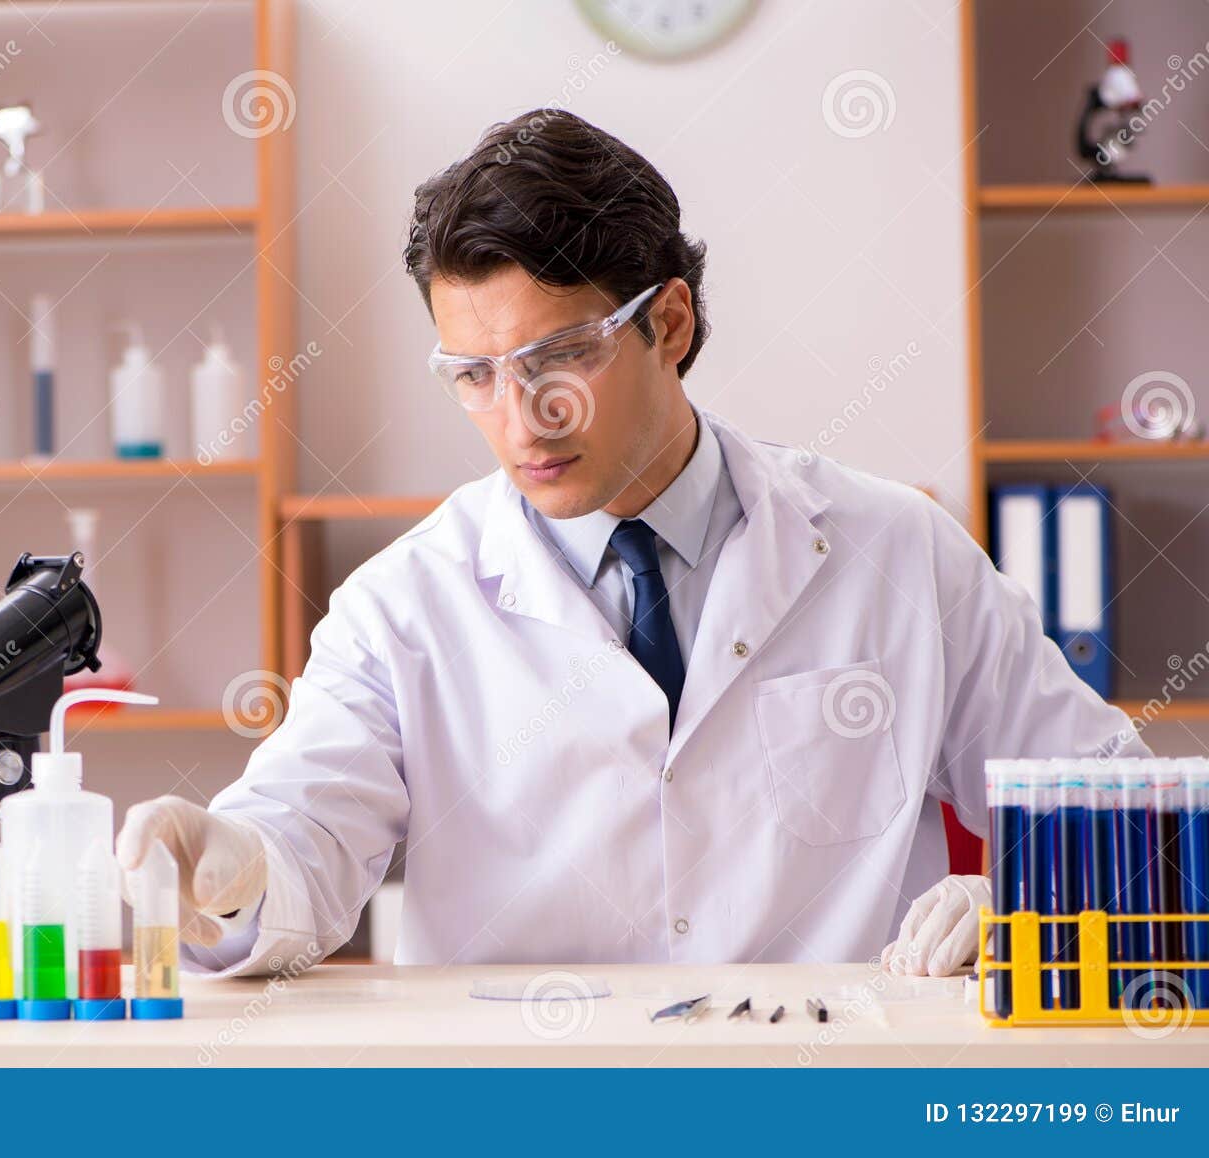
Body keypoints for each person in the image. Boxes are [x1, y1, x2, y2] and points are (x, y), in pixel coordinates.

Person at [115, 109, 1145, 978]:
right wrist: (233, 862)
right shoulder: (405, 607)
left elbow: (1127, 818)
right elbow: (305, 840)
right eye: (474, 376)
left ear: (673, 325)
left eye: (559, 356)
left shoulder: (897, 552)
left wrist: (1028, 900)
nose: (522, 421)